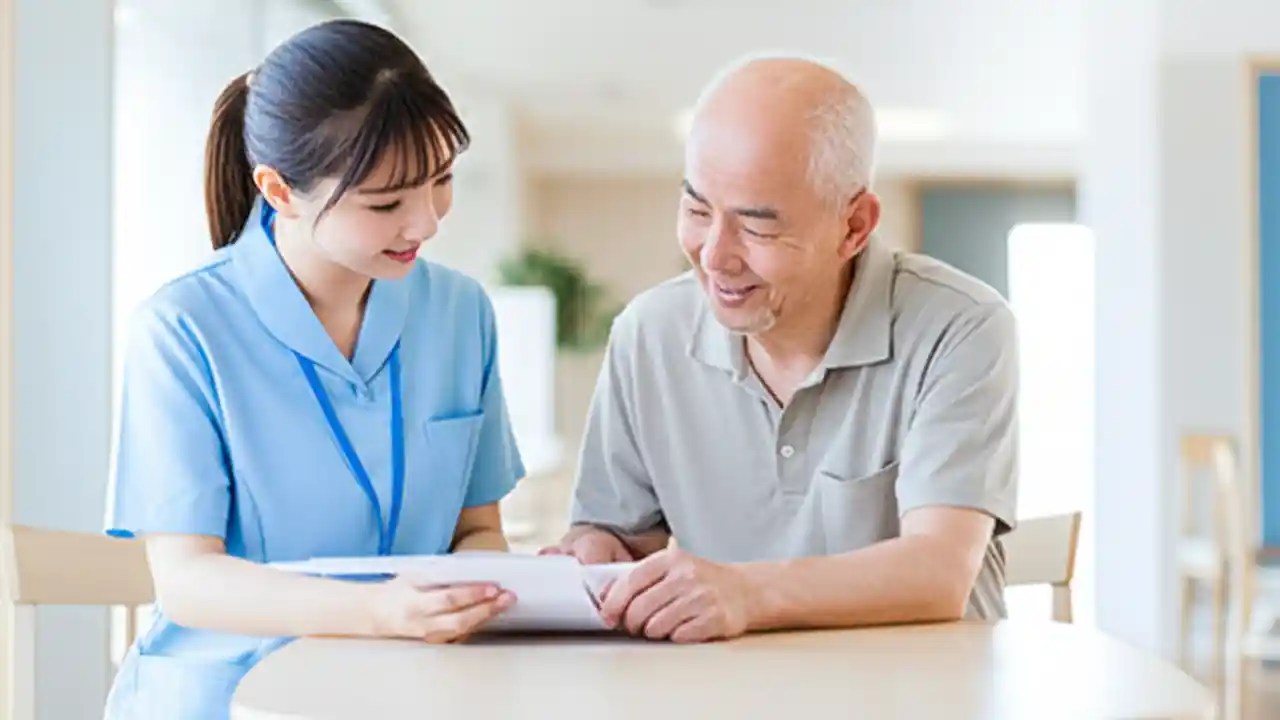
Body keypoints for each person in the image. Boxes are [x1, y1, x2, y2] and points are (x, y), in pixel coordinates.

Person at [103, 19, 524, 719]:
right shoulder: (183, 328)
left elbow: (475, 530)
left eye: (441, 180)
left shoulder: (459, 313)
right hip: (222, 696)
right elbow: (188, 581)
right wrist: (378, 611)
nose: (425, 223)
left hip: (407, 690)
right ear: (279, 190)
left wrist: (484, 590)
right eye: (387, 202)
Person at [546, 56, 1018, 643]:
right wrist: (596, 558)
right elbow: (620, 539)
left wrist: (744, 592)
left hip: (922, 692)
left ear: (854, 226)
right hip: (729, 693)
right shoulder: (648, 334)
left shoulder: (961, 327)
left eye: (757, 227)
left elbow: (938, 571)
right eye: (696, 210)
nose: (714, 255)